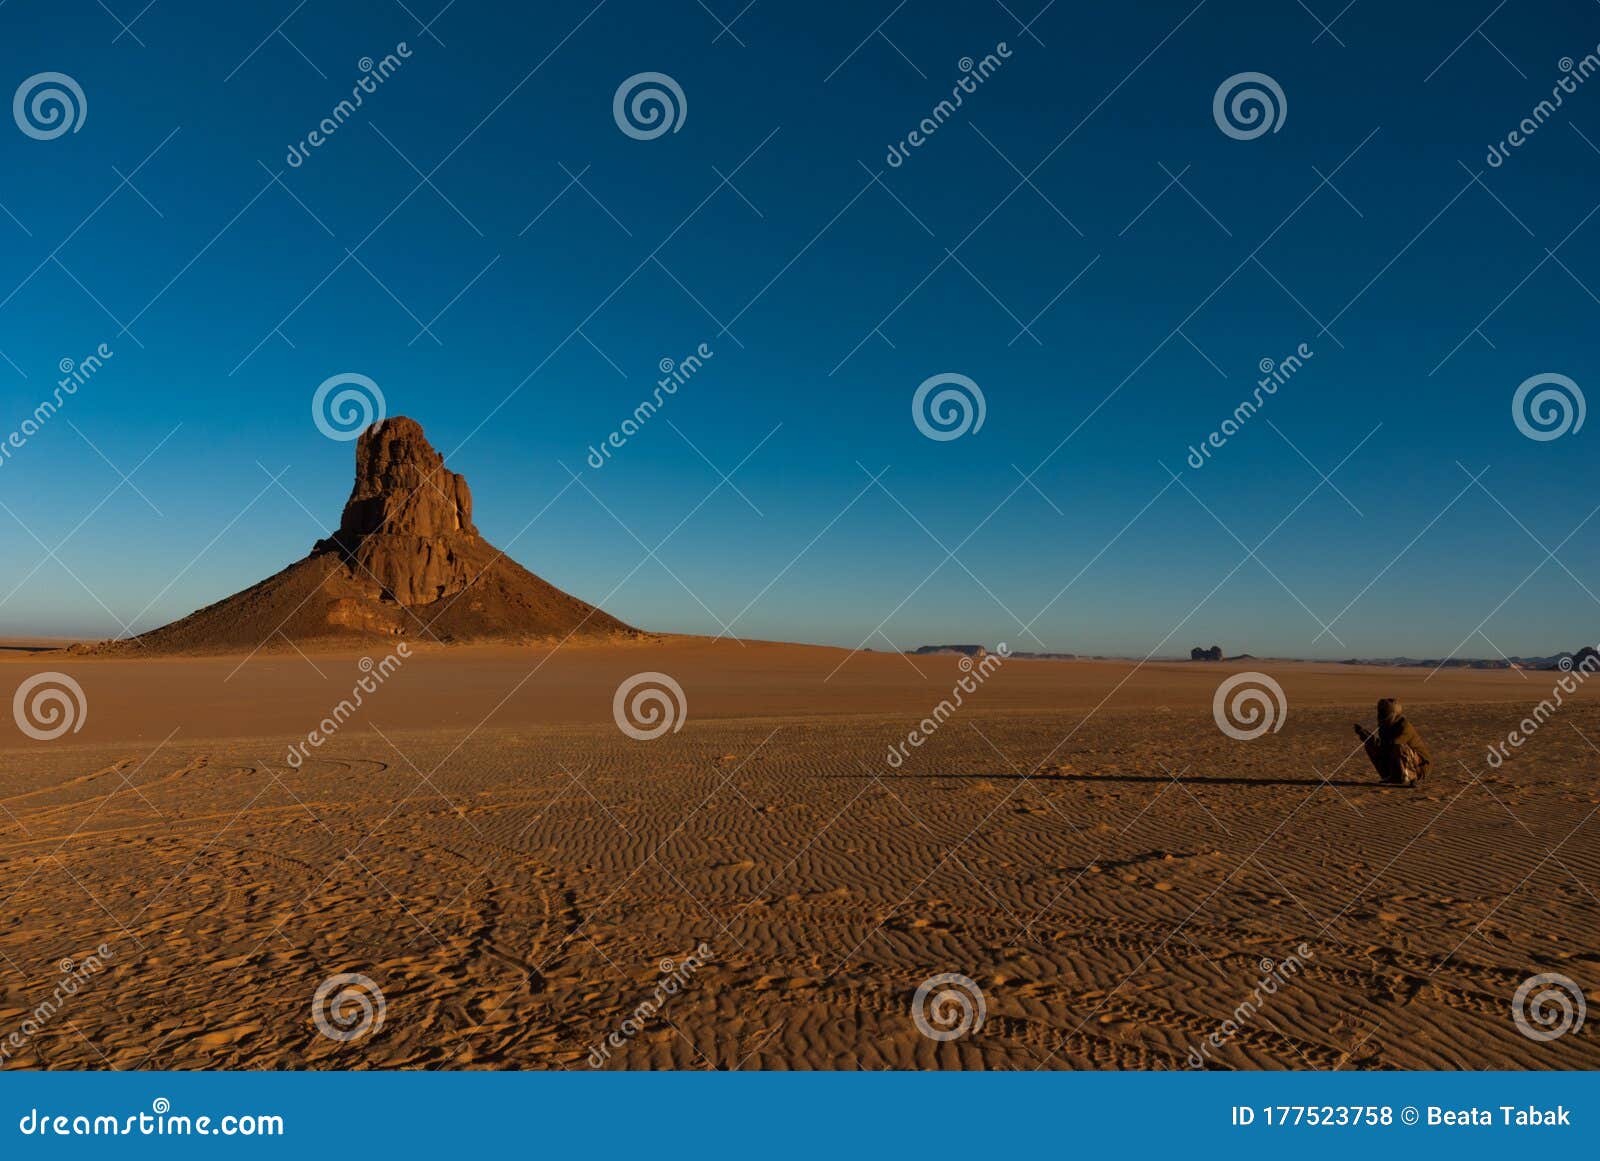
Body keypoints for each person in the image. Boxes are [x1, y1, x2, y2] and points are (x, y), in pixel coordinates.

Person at [1353, 698, 1432, 786]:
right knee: (1370, 746)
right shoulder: (1384, 728)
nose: (1381, 716)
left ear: (1394, 714)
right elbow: (1383, 748)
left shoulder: (1405, 726)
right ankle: (1391, 776)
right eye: (1381, 713)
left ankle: (1409, 777)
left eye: (1385, 713)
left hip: (1420, 767)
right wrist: (1367, 737)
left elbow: (1393, 744)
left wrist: (1374, 740)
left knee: (1398, 746)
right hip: (1401, 762)